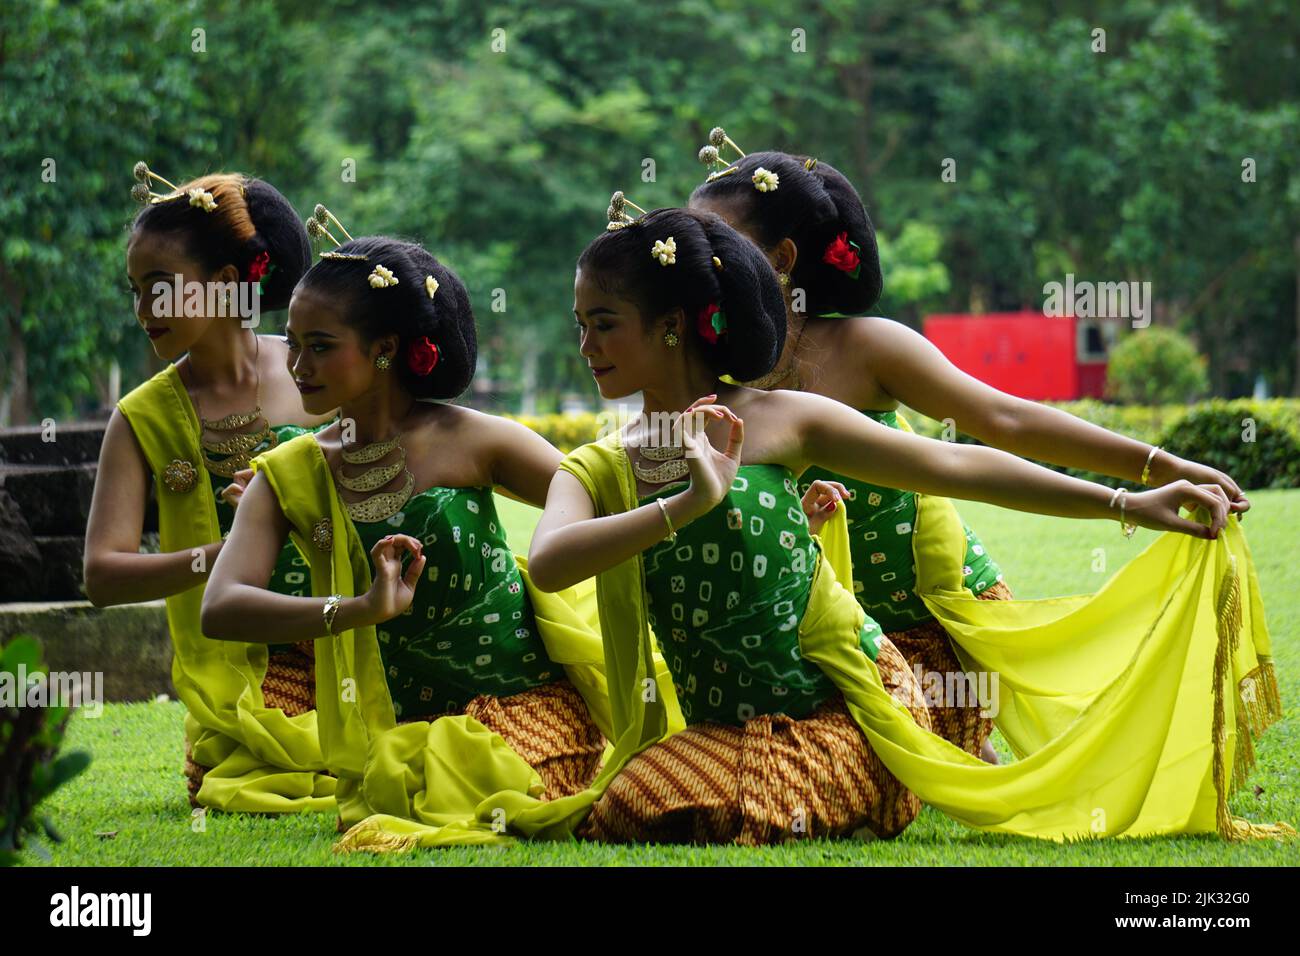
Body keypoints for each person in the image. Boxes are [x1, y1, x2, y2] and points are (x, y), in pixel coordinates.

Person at [525, 201, 1288, 844]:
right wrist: (686, 504)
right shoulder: (604, 464)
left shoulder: (784, 421)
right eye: (580, 325)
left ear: (671, 327)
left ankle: (894, 765)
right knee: (627, 802)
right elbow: (553, 559)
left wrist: (1132, 498)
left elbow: (960, 464)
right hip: (724, 725)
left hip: (847, 709)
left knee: (738, 808)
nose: (586, 347)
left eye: (604, 323)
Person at [687, 131, 1271, 763]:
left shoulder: (866, 349)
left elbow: (1001, 421)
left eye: (717, 241)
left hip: (932, 621)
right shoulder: (708, 372)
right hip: (821, 633)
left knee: (971, 766)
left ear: (782, 256)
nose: (697, 260)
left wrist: (1154, 472)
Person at [201, 226, 682, 848]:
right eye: (292, 345)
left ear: (386, 349)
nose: (297, 366)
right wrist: (356, 609)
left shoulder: (477, 439)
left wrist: (736, 509)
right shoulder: (291, 472)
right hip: (403, 723)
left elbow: (608, 502)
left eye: (320, 346)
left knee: (493, 795)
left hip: (524, 703)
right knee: (416, 792)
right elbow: (221, 606)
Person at [84, 165, 336, 812]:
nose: (143, 311)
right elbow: (103, 576)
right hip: (235, 673)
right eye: (134, 291)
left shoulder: (320, 371)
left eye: (159, 289)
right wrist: (215, 556)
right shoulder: (141, 418)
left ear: (224, 285)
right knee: (242, 780)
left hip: (351, 638)